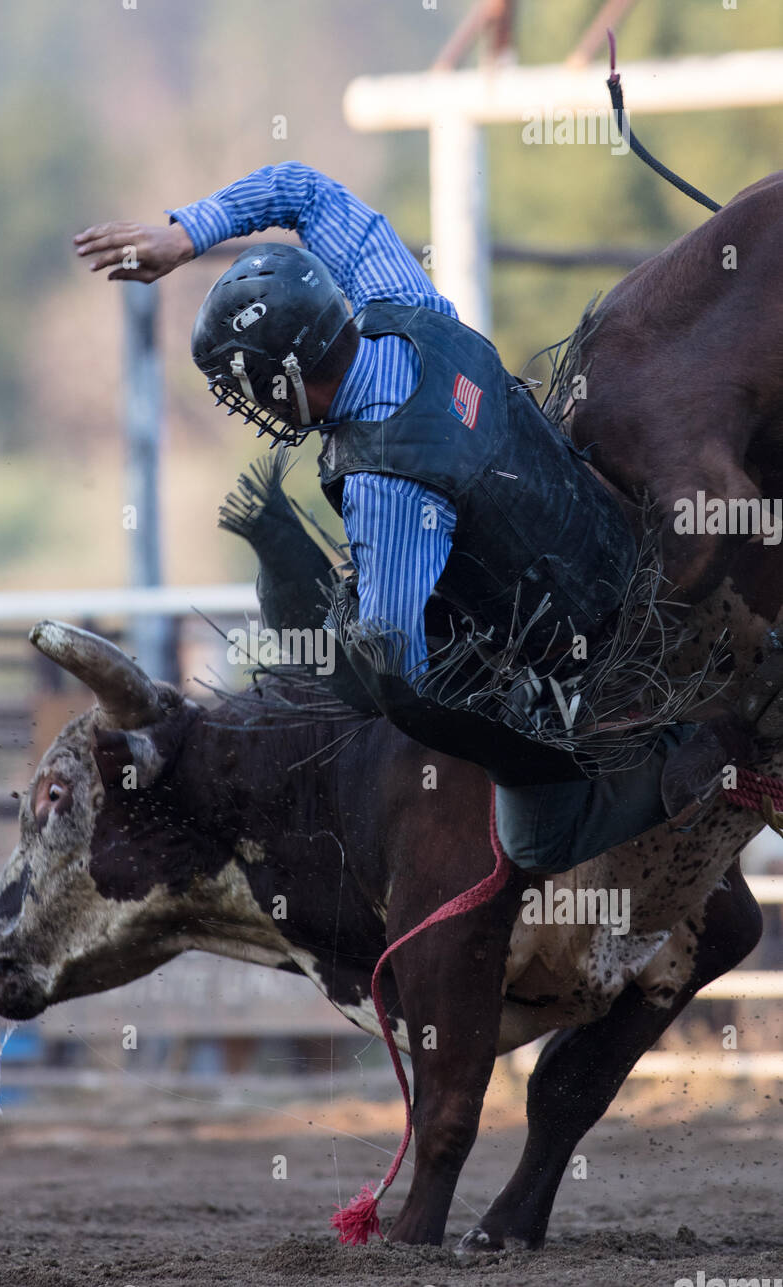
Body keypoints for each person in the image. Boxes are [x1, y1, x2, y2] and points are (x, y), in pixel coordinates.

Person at [74, 161, 782, 871]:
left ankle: (708, 761)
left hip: (594, 640)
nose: (252, 407)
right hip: (598, 502)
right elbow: (304, 188)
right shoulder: (410, 306)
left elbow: (398, 658)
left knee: (535, 844)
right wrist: (180, 235)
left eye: (249, 391)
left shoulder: (385, 489)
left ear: (284, 384)